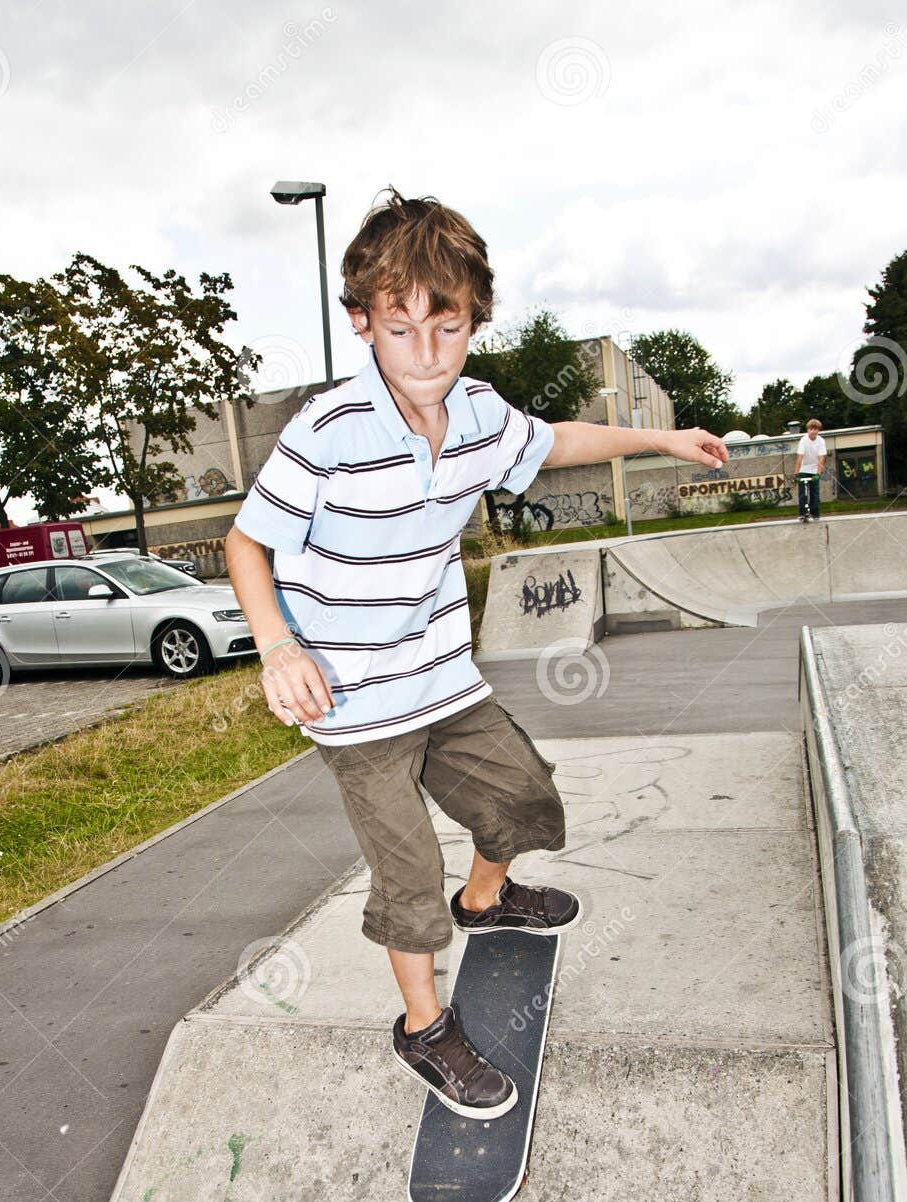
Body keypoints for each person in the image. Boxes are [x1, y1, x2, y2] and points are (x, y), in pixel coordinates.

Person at [224, 187, 728, 1118]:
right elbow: (245, 542)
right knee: (407, 874)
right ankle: (423, 1028)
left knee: (524, 796)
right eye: (399, 329)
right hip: (354, 704)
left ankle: (486, 900)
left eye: (446, 329)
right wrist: (278, 648)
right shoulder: (327, 432)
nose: (424, 354)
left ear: (474, 322)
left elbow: (560, 440)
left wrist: (661, 435)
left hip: (443, 681)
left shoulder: (482, 417)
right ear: (361, 323)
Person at [794, 418, 826, 521]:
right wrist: (796, 473)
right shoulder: (803, 440)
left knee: (815, 493)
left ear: (818, 430)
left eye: (815, 429)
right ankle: (802, 513)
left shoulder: (821, 441)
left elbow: (821, 458)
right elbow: (800, 457)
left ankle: (815, 513)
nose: (813, 431)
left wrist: (818, 473)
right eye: (811, 429)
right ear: (808, 430)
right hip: (803, 469)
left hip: (814, 469)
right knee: (803, 493)